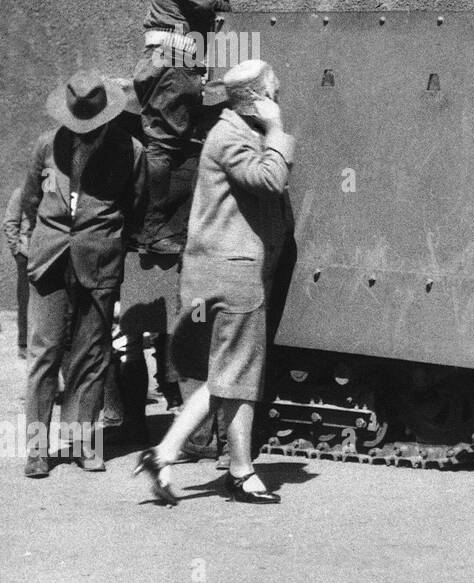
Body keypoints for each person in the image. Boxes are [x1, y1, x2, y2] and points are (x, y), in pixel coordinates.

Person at [136, 59, 294, 504]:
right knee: (237, 374)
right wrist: (278, 128)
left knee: (228, 375)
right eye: (274, 90)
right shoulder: (230, 137)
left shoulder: (235, 131)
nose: (279, 96)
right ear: (257, 98)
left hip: (223, 269)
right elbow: (270, 178)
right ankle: (239, 472)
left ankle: (166, 454)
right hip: (233, 271)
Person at [20, 71, 147, 477]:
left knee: (92, 355)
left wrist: (105, 241)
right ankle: (38, 449)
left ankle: (84, 443)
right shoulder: (46, 145)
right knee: (45, 352)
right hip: (50, 261)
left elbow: (137, 208)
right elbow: (30, 200)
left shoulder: (131, 151)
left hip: (100, 261)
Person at [133, 0, 239, 255]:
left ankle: (166, 230)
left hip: (182, 64)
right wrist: (223, 3)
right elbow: (208, 0)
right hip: (171, 62)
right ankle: (152, 233)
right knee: (162, 146)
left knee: (178, 147)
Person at [3, 185, 32, 359]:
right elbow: (10, 222)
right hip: (27, 255)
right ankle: (23, 343)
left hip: (49, 255)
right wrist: (17, 250)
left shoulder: (51, 193)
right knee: (25, 299)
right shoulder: (21, 192)